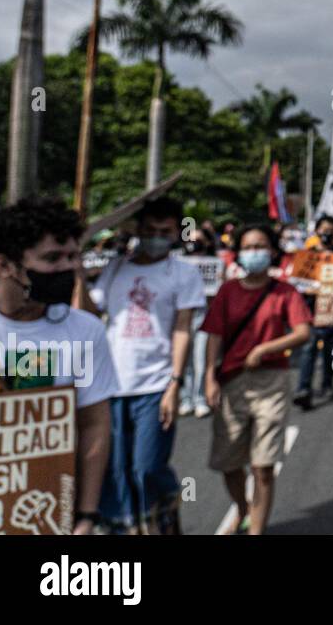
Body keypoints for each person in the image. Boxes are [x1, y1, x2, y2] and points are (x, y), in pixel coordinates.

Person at [0, 197, 120, 535]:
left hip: (48, 507)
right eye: (52, 258)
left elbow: (94, 425)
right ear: (5, 265)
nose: (69, 268)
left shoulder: (85, 330)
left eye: (73, 256)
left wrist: (87, 515)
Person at [90, 196, 204, 533]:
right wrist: (78, 275)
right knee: (115, 468)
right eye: (150, 229)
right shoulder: (115, 268)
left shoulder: (184, 273)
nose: (156, 236)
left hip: (155, 385)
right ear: (138, 230)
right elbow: (91, 312)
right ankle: (126, 526)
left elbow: (183, 328)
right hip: (110, 384)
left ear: (175, 233)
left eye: (164, 231)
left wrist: (175, 383)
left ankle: (164, 516)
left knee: (147, 467)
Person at [203, 224, 312, 534]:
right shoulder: (228, 291)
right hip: (232, 381)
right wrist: (210, 379)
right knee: (228, 462)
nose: (255, 252)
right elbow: (213, 336)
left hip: (272, 383)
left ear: (273, 250)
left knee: (263, 466)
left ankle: (256, 529)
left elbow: (303, 333)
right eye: (248, 247)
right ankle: (243, 508)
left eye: (261, 246)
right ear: (238, 252)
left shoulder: (285, 291)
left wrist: (266, 349)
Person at [294, 215, 333, 410]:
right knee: (309, 348)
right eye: (324, 229)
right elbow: (299, 284)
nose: (327, 233)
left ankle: (327, 384)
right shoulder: (307, 254)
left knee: (332, 349)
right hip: (311, 308)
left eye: (331, 230)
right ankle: (303, 388)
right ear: (316, 231)